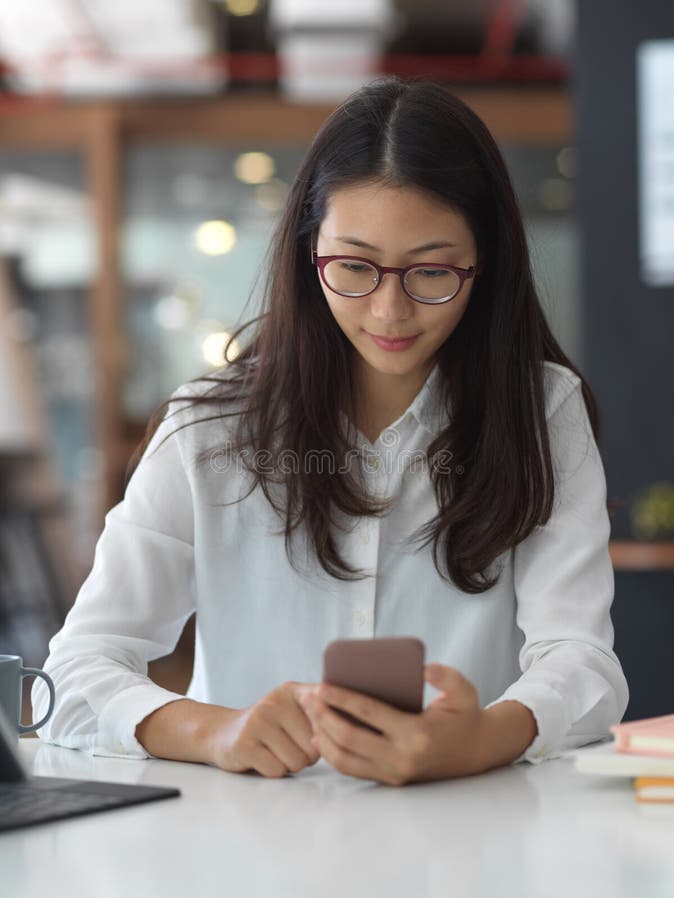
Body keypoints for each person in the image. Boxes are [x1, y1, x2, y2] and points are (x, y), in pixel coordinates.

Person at [33, 76, 628, 786]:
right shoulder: (209, 429)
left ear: (486, 263)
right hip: (244, 850)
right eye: (354, 267)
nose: (389, 311)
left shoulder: (539, 412)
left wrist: (482, 737)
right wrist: (216, 731)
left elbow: (582, 660)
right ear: (307, 252)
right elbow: (76, 668)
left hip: (471, 841)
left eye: (432, 271)